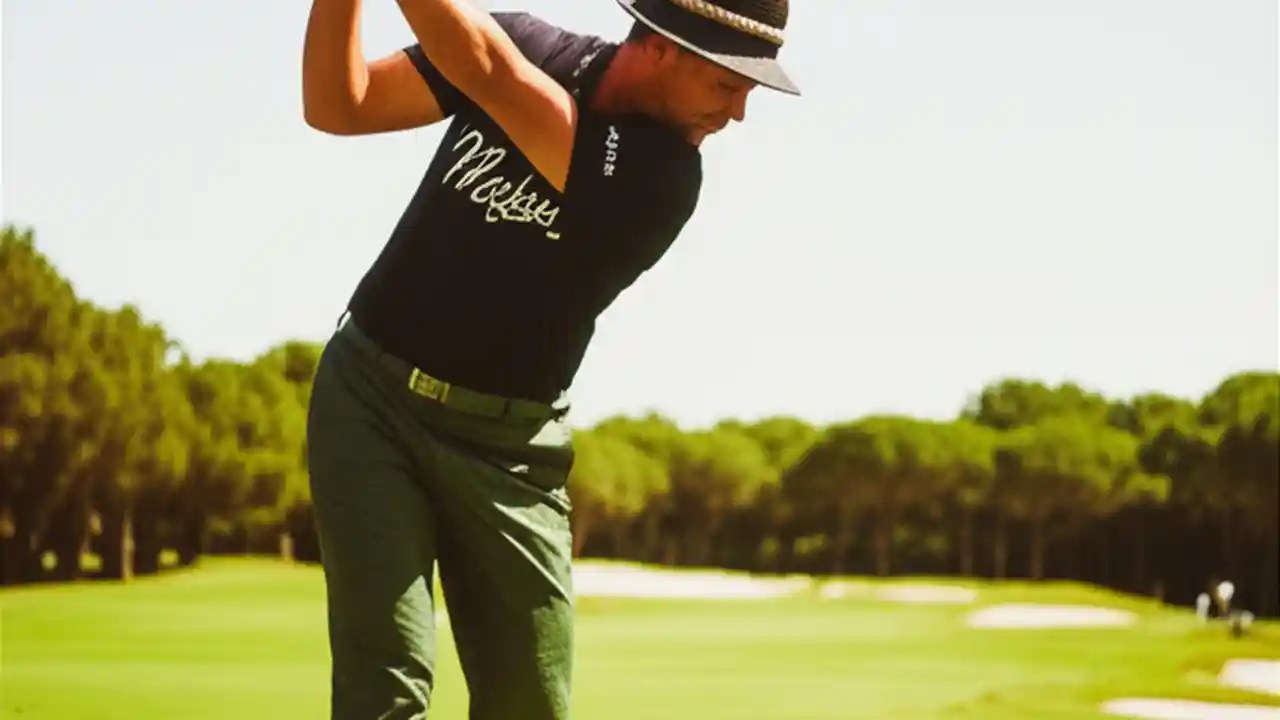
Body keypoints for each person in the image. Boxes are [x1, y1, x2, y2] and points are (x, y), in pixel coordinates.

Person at [300, 0, 799, 717]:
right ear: (663, 45)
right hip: (369, 403)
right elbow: (339, 105)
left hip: (510, 454)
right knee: (384, 689)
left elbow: (490, 74)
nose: (739, 112)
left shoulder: (664, 177)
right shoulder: (530, 43)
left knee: (529, 704)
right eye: (727, 83)